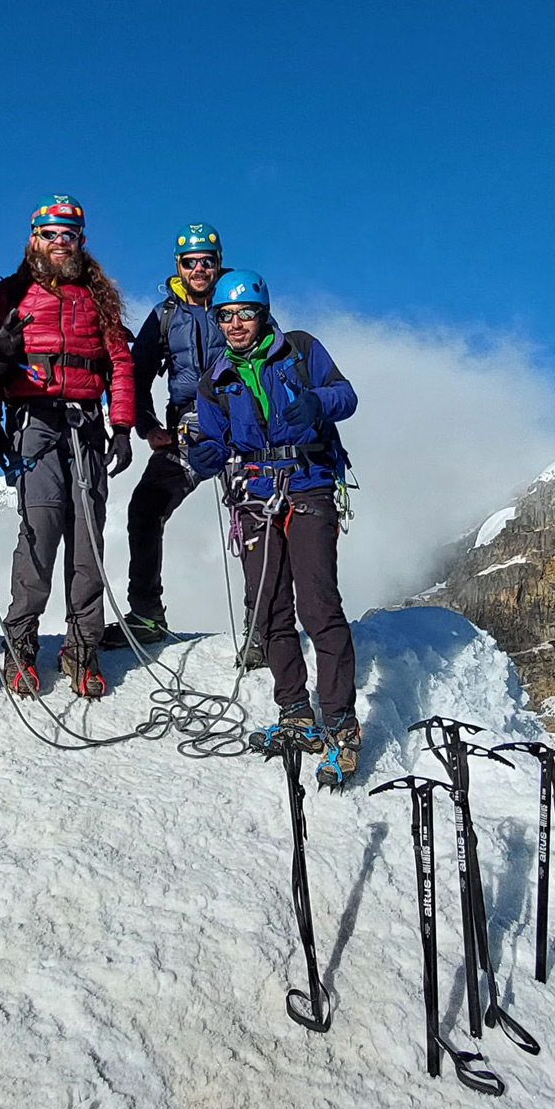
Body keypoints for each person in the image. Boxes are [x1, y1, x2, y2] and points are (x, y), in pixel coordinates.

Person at [187, 271, 362, 787]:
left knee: (317, 604)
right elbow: (218, 441)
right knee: (268, 608)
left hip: (307, 484)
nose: (235, 323)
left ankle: (340, 723)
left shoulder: (301, 350)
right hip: (255, 492)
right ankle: (295, 711)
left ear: (262, 313)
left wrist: (318, 403)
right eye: (225, 315)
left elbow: (346, 396)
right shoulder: (214, 378)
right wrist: (205, 455)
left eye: (244, 313)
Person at [0, 195, 136, 698]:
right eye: (50, 234)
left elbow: (121, 362)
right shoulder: (11, 292)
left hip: (88, 423)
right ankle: (22, 645)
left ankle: (81, 649)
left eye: (68, 235)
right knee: (41, 527)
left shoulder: (98, 297)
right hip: (36, 420)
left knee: (88, 538)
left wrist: (123, 426)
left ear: (80, 241)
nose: (58, 243)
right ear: (33, 237)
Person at [103, 221, 227, 650]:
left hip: (244, 429)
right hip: (187, 431)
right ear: (179, 265)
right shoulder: (165, 315)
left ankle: (264, 627)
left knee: (255, 520)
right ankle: (147, 617)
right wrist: (147, 425)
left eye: (206, 262)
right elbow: (135, 374)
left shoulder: (238, 304)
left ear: (218, 265)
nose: (199, 269)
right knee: (145, 508)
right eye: (190, 262)